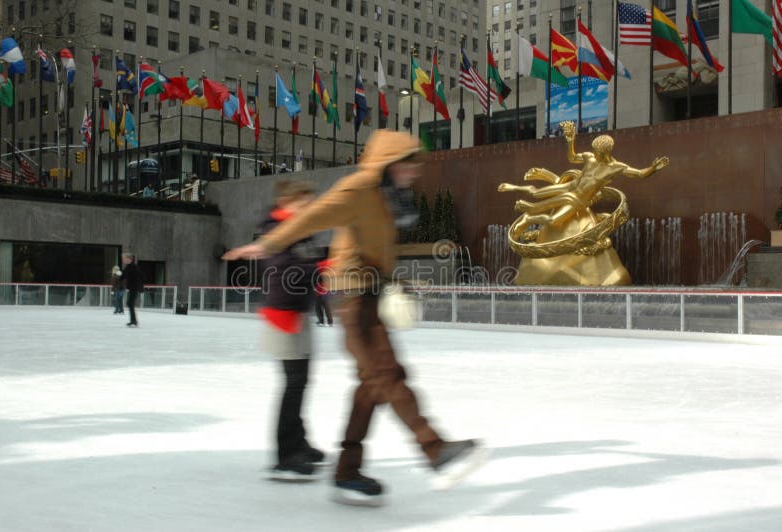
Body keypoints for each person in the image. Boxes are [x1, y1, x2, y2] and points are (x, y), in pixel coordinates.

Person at [222, 130, 486, 506]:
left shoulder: (389, 196)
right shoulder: (360, 188)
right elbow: (314, 216)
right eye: (410, 162)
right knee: (387, 375)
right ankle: (435, 450)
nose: (415, 170)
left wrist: (396, 284)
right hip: (352, 296)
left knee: (370, 387)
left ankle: (347, 471)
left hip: (371, 292)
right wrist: (265, 244)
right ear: (390, 162)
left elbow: (377, 249)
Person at [258, 180, 325, 481]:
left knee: (301, 382)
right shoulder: (274, 229)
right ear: (287, 201)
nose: (308, 209)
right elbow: (287, 269)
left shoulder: (301, 229)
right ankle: (286, 455)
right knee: (294, 384)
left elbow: (309, 264)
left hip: (298, 313)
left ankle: (299, 442)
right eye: (304, 203)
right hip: (282, 315)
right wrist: (324, 268)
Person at [499, 121, 670, 236]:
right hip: (570, 186)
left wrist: (653, 168)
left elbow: (639, 174)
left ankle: (529, 218)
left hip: (579, 199)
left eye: (598, 152)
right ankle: (513, 187)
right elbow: (572, 158)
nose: (594, 154)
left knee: (553, 220)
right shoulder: (590, 157)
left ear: (606, 152)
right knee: (536, 193)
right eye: (594, 151)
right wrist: (570, 140)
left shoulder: (615, 168)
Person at [121, 253, 144, 327]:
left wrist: (139, 286)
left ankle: (134, 321)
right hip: (132, 288)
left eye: (124, 258)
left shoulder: (134, 266)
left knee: (130, 303)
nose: (123, 260)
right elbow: (123, 276)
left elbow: (141, 276)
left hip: (134, 288)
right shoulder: (128, 267)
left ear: (129, 259)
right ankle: (133, 321)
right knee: (130, 303)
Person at [314, 258, 333, 326]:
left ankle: (324, 321)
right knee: (322, 307)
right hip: (321, 292)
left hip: (321, 292)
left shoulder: (320, 271)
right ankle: (326, 321)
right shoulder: (320, 270)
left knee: (321, 307)